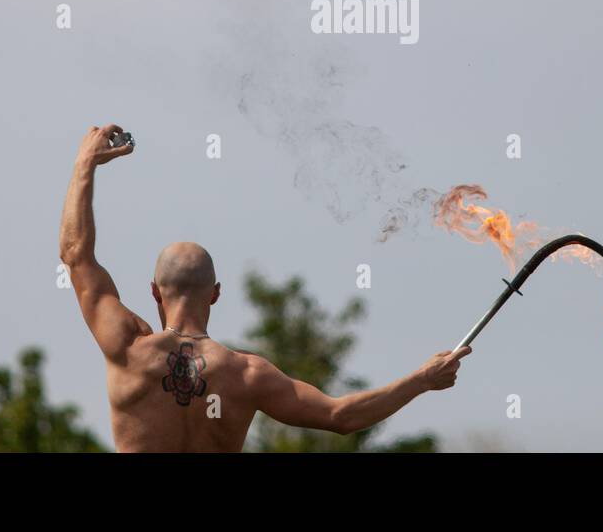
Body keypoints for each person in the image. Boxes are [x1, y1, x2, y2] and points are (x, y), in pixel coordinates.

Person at [58, 123, 470, 452]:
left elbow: (76, 255)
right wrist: (421, 379)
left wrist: (84, 165)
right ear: (216, 293)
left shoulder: (127, 347)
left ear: (155, 292)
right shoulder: (247, 374)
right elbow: (340, 417)